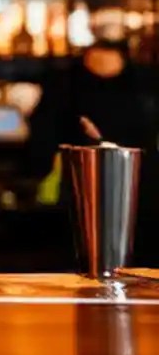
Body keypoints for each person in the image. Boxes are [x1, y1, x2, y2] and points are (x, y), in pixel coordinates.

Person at [26, 33, 159, 267]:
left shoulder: (64, 83)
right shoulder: (145, 83)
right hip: (118, 203)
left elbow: (39, 146)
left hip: (91, 205)